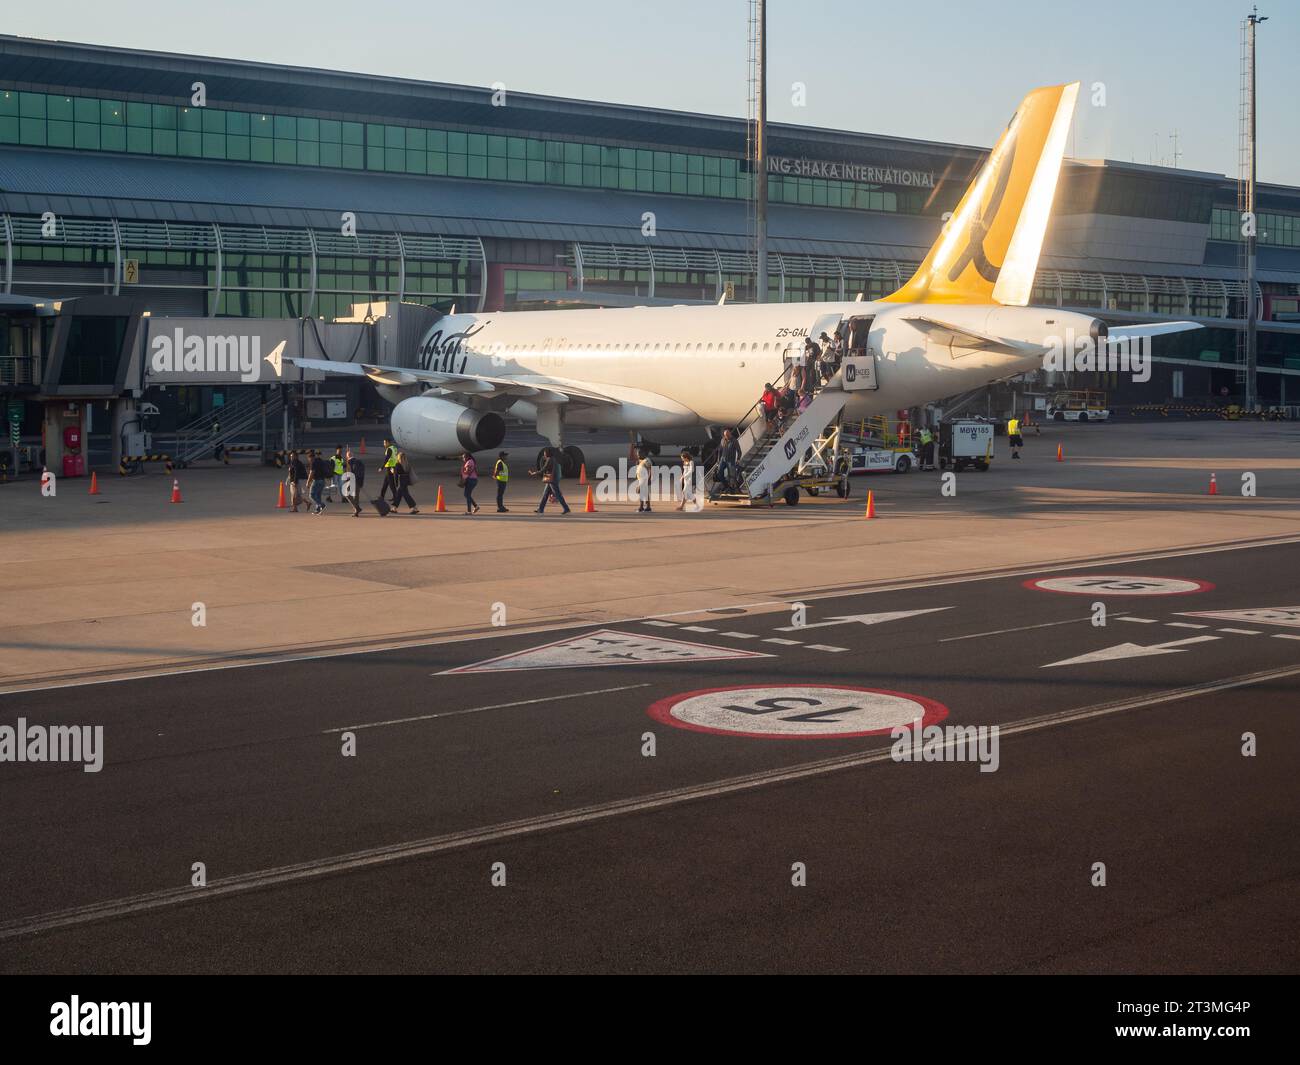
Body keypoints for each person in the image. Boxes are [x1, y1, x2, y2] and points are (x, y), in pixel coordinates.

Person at [530, 447, 570, 514]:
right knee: (545, 494)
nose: (544, 454)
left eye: (545, 453)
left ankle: (566, 508)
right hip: (552, 479)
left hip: (552, 480)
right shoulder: (553, 459)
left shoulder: (549, 460)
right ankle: (540, 509)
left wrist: (535, 473)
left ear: (548, 453)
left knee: (558, 495)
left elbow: (544, 469)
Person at [343, 448, 364, 516]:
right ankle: (356, 511)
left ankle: (356, 508)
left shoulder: (349, 462)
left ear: (348, 456)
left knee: (346, 493)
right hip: (360, 480)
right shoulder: (359, 461)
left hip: (353, 480)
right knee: (356, 496)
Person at [308, 449, 329, 514]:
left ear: (311, 457)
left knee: (311, 495)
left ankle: (321, 505)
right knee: (318, 496)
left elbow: (312, 473)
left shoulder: (313, 462)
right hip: (322, 481)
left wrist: (308, 482)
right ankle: (318, 509)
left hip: (316, 481)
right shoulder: (321, 461)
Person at [380, 438, 399, 503]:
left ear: (388, 442)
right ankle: (382, 496)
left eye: (385, 443)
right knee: (386, 483)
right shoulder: (394, 448)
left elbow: (386, 459)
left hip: (389, 467)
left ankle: (396, 498)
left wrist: (381, 468)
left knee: (391, 484)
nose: (384, 444)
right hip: (393, 466)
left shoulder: (389, 449)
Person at [635, 447, 653, 512]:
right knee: (645, 492)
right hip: (640, 479)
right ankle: (648, 507)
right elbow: (638, 469)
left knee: (641, 492)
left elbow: (650, 469)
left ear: (644, 453)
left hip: (644, 479)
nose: (638, 455)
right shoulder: (639, 461)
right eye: (637, 454)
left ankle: (641, 507)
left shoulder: (646, 460)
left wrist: (649, 478)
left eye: (639, 454)